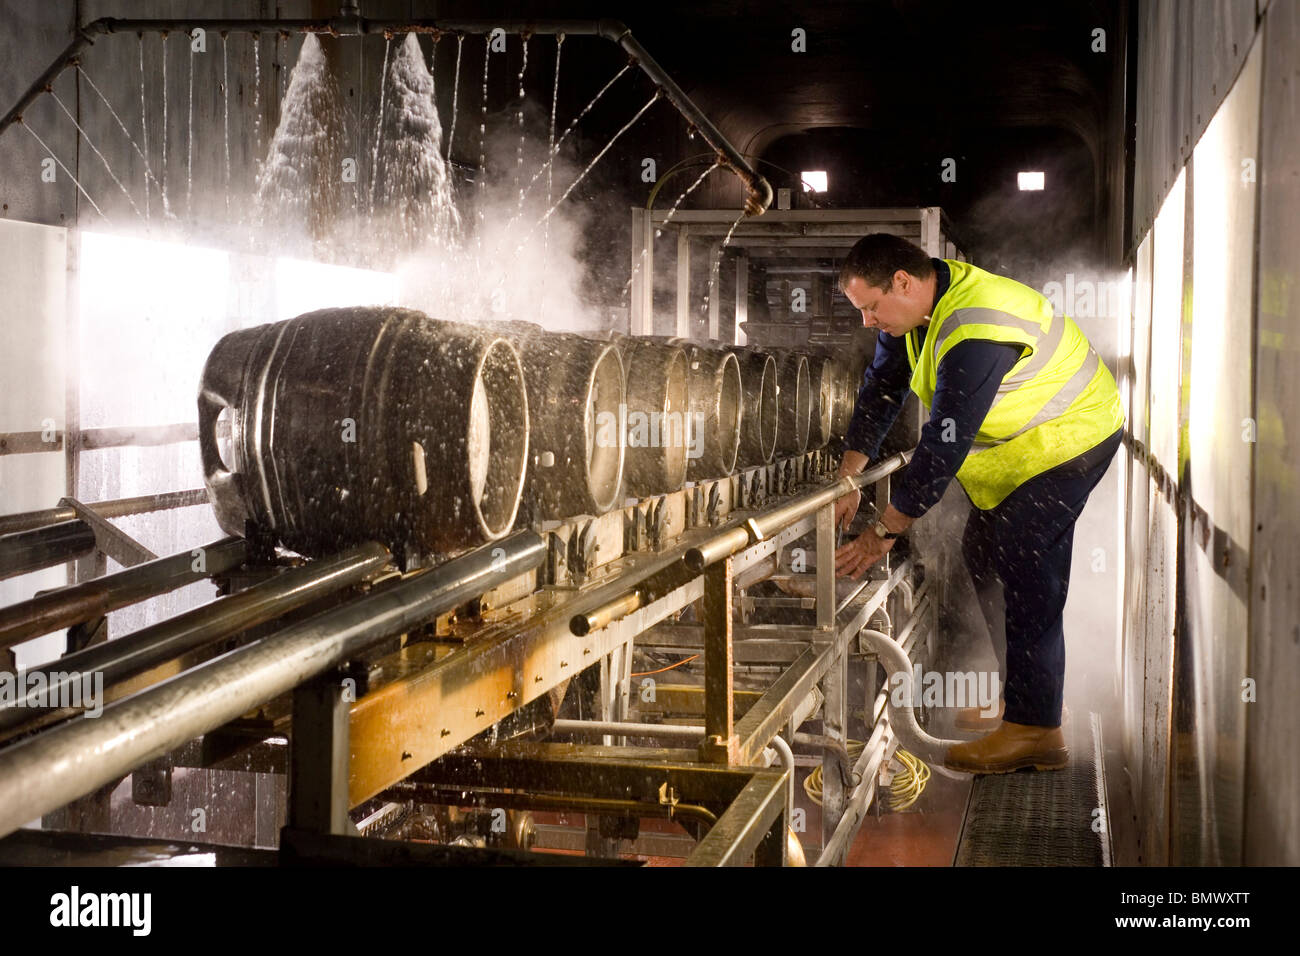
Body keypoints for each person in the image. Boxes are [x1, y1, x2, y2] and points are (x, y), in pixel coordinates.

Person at [831, 233, 1124, 774]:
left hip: (1070, 439)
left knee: (1022, 558)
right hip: (1025, 452)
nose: (869, 322)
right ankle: (1030, 703)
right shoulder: (915, 313)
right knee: (985, 553)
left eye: (871, 307)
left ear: (902, 282)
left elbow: (943, 443)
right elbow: (883, 387)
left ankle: (1036, 730)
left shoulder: (975, 330)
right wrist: (849, 476)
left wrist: (884, 533)